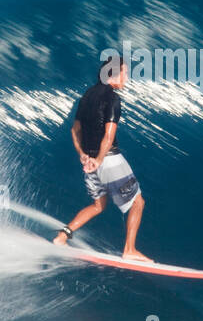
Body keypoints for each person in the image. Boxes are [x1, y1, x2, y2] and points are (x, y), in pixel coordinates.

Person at [53, 55, 150, 261]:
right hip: (109, 160)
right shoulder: (113, 99)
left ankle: (62, 236)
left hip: (88, 161)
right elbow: (108, 136)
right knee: (138, 202)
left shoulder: (87, 95)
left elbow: (74, 130)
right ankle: (129, 250)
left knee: (99, 205)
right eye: (124, 73)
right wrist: (99, 158)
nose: (126, 78)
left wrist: (83, 155)